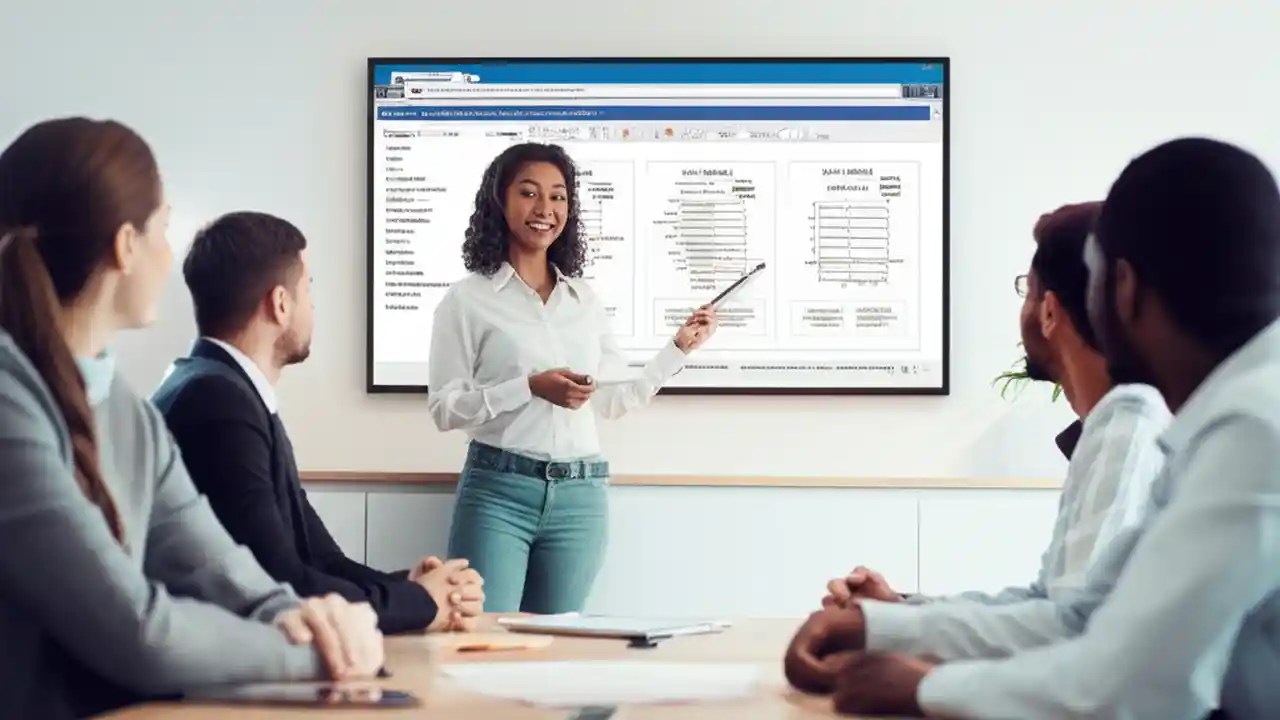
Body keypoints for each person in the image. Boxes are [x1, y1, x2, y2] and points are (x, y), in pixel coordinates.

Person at [789, 137, 1280, 719]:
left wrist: (924, 687)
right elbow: (1084, 616)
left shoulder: (1251, 427)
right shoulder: (1225, 418)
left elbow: (1133, 685)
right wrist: (881, 625)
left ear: (1123, 289)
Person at [0, 119, 381, 719]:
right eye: (164, 227)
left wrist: (304, 618)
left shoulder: (130, 415)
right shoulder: (9, 402)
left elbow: (227, 576)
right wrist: (319, 655)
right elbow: (137, 632)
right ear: (126, 246)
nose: (169, 254)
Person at [812, 202, 1170, 662]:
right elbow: (1047, 603)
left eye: (1027, 290)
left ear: (1049, 312)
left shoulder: (1130, 431)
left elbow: (1076, 631)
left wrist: (891, 641)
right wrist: (899, 611)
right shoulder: (1110, 425)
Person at [152, 211, 484, 635]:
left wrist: (411, 588)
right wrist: (420, 602)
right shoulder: (219, 402)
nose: (312, 305)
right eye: (307, 288)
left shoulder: (224, 388)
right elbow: (284, 583)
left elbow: (320, 560)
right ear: (280, 304)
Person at [428, 142, 718, 613]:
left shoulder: (584, 300)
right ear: (499, 201)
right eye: (529, 193)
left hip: (581, 498)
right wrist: (528, 386)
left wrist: (679, 348)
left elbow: (614, 399)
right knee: (485, 635)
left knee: (558, 642)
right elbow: (445, 409)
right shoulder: (467, 300)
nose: (545, 208)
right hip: (498, 493)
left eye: (558, 196)